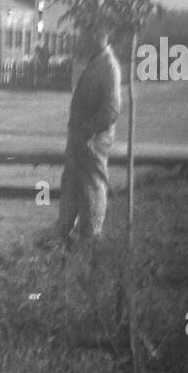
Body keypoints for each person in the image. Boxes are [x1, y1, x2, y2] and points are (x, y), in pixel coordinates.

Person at [56, 27, 121, 247]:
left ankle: (92, 238)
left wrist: (88, 129)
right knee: (71, 184)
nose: (82, 40)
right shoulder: (96, 61)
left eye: (87, 35)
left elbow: (112, 110)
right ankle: (65, 234)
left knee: (93, 186)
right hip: (80, 139)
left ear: (99, 36)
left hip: (93, 141)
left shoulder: (109, 66)